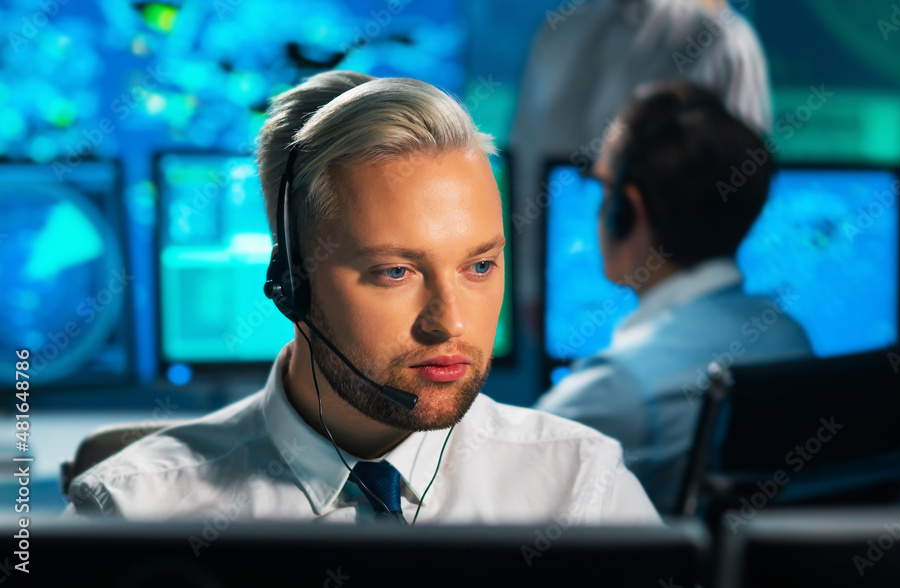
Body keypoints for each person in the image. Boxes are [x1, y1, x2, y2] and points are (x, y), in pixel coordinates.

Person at [66, 71, 661, 525]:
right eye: (395, 272)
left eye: (480, 265)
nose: (450, 321)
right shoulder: (129, 510)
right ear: (291, 282)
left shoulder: (584, 490)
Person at [534, 82, 813, 514]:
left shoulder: (617, 388)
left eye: (604, 189)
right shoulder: (790, 339)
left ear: (628, 211)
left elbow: (491, 483)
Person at [510, 0, 773, 333]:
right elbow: (526, 168)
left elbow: (746, 184)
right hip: (565, 294)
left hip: (685, 305)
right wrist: (528, 286)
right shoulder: (559, 30)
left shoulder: (720, 39)